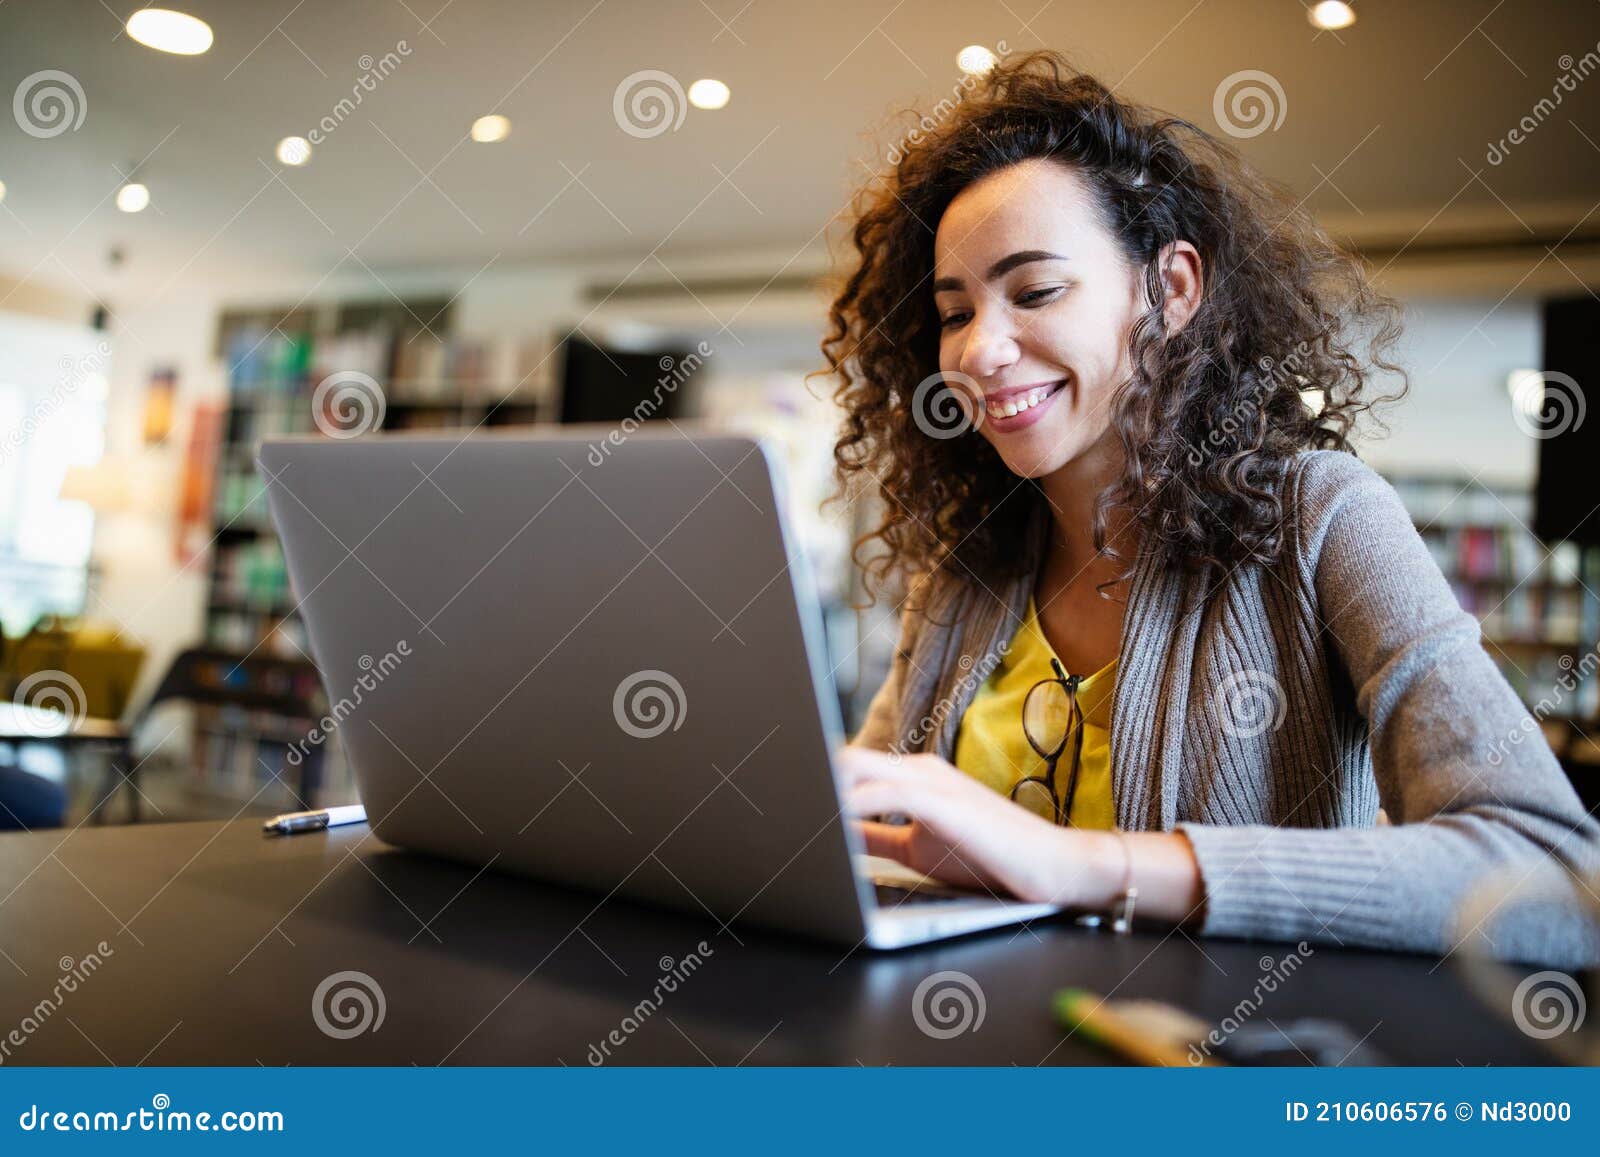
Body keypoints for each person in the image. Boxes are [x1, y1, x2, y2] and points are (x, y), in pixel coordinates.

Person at [827, 50, 1600, 968]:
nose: (981, 350)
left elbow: (1555, 875)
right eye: (955, 312)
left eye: (1035, 291)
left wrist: (1080, 863)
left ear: (1174, 288)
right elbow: (858, 816)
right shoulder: (965, 568)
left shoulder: (1324, 518)